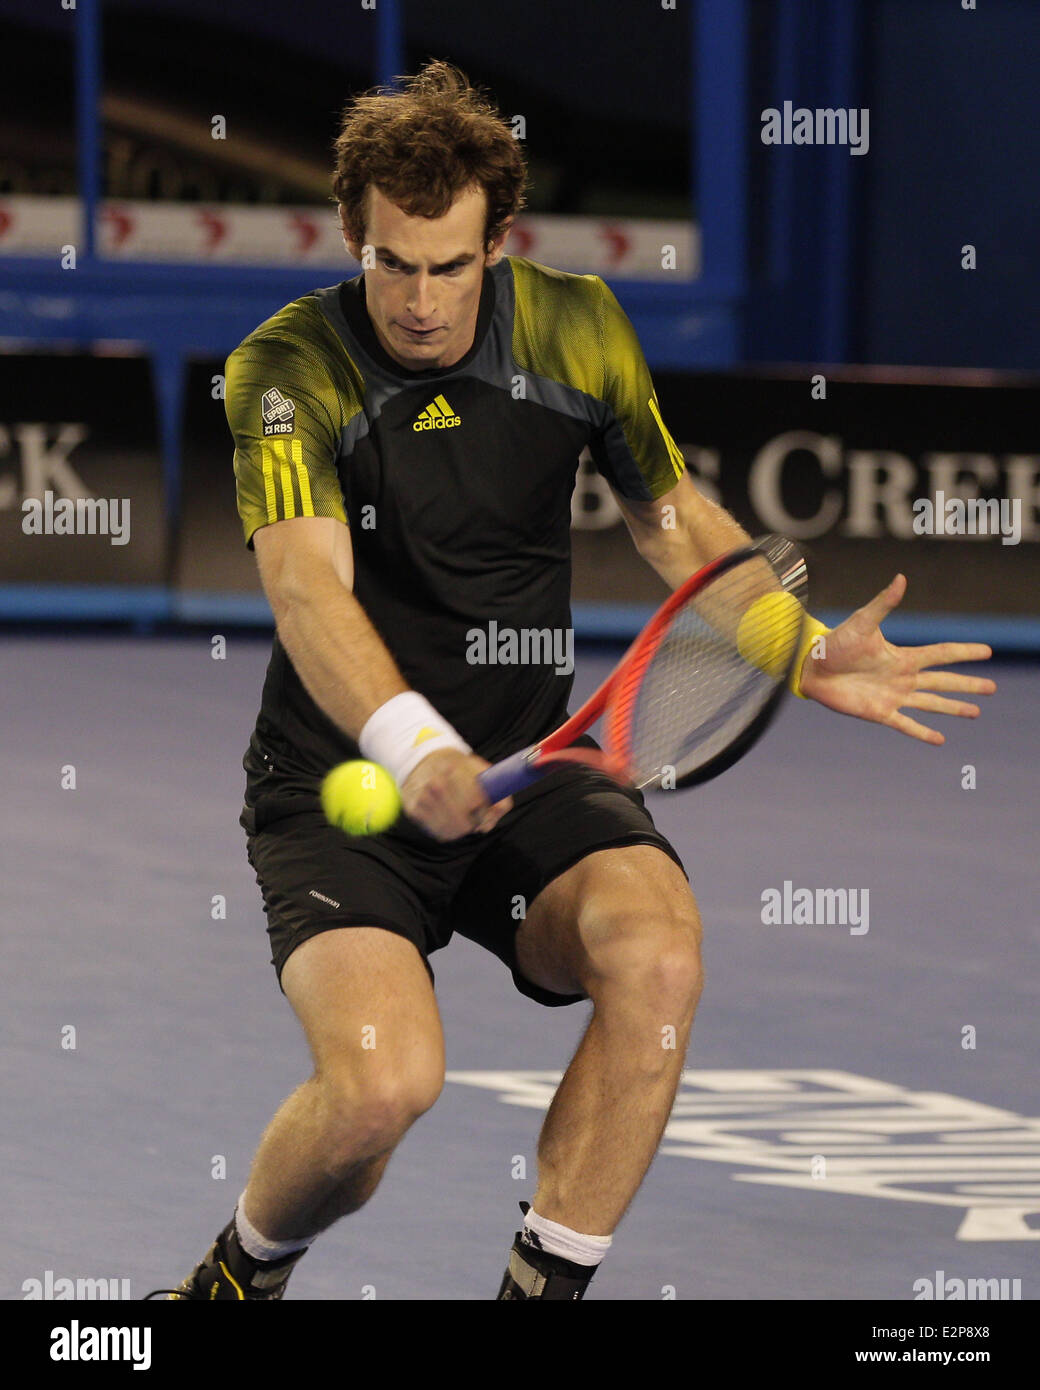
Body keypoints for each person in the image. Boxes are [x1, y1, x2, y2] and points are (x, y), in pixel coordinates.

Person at [155, 61, 995, 1301]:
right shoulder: (286, 367)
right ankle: (239, 1275)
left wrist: (800, 646)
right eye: (392, 264)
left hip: (529, 762)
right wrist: (413, 747)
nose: (421, 301)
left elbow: (672, 521)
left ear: (497, 241)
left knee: (655, 958)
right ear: (351, 239)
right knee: (381, 1089)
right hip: (341, 788)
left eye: (449, 266)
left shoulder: (576, 326)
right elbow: (307, 589)